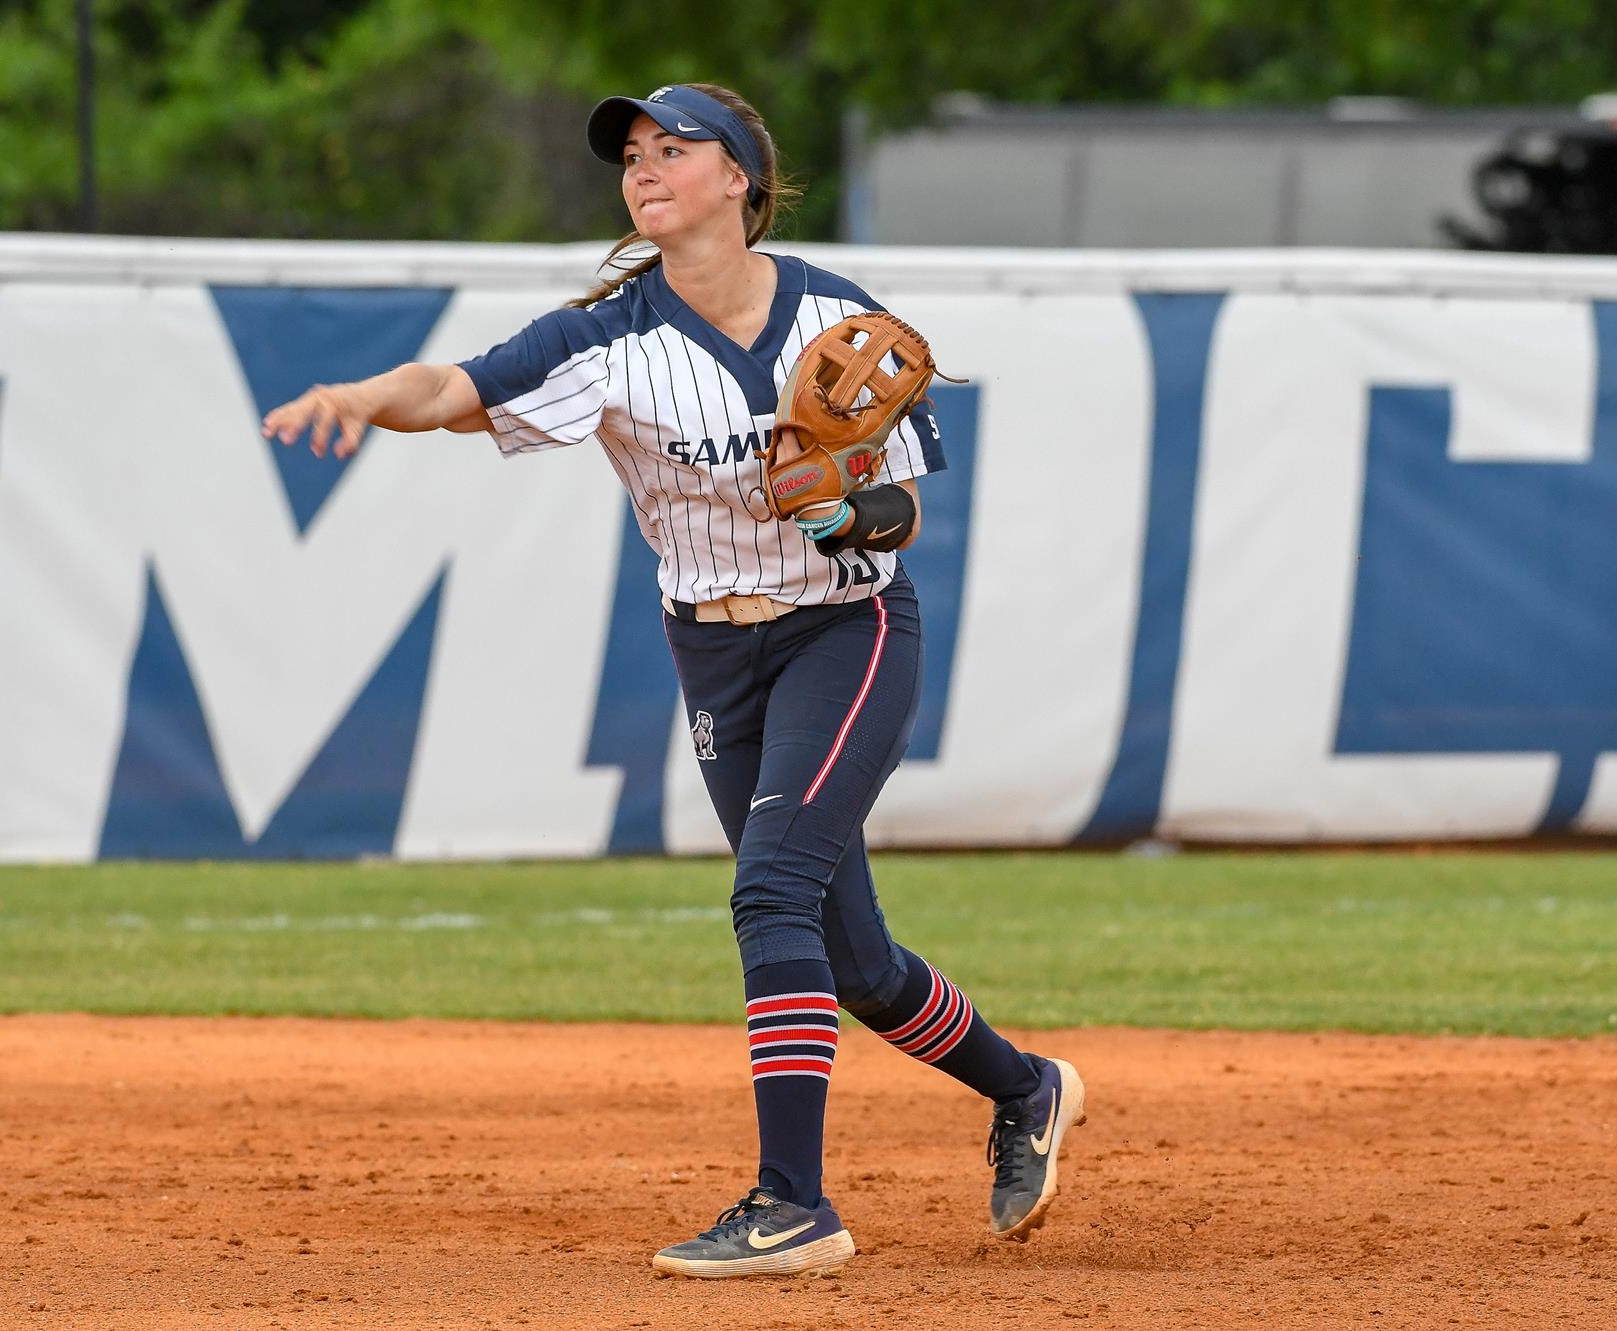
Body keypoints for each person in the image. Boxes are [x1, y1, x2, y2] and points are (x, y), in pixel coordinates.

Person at [262, 81, 1086, 1279]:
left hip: (843, 630)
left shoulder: (837, 319)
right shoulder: (607, 336)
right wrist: (356, 397)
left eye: (671, 148)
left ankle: (791, 1202)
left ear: (737, 178)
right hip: (712, 650)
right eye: (630, 154)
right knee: (852, 959)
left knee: (770, 892)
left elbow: (901, 510)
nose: (642, 168)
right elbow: (446, 392)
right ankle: (1025, 1085)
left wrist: (841, 508)